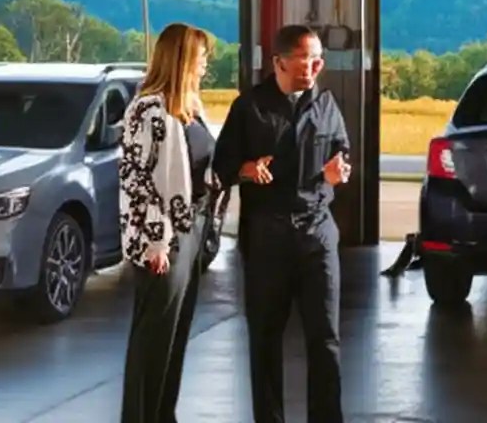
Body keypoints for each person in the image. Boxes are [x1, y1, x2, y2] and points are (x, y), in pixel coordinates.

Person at [213, 24, 352, 423]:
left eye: (318, 59)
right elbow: (223, 167)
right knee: (265, 338)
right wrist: (247, 168)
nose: (314, 66)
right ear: (278, 62)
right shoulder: (249, 108)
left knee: (325, 338)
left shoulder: (326, 104)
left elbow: (343, 152)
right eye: (305, 59)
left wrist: (339, 170)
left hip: (317, 234)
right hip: (267, 236)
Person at [119, 22, 219, 423]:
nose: (206, 65)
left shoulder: (190, 108)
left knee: (175, 338)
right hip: (164, 239)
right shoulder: (147, 109)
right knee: (153, 340)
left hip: (191, 230)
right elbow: (136, 180)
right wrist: (154, 242)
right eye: (201, 57)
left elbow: (198, 169)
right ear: (182, 60)